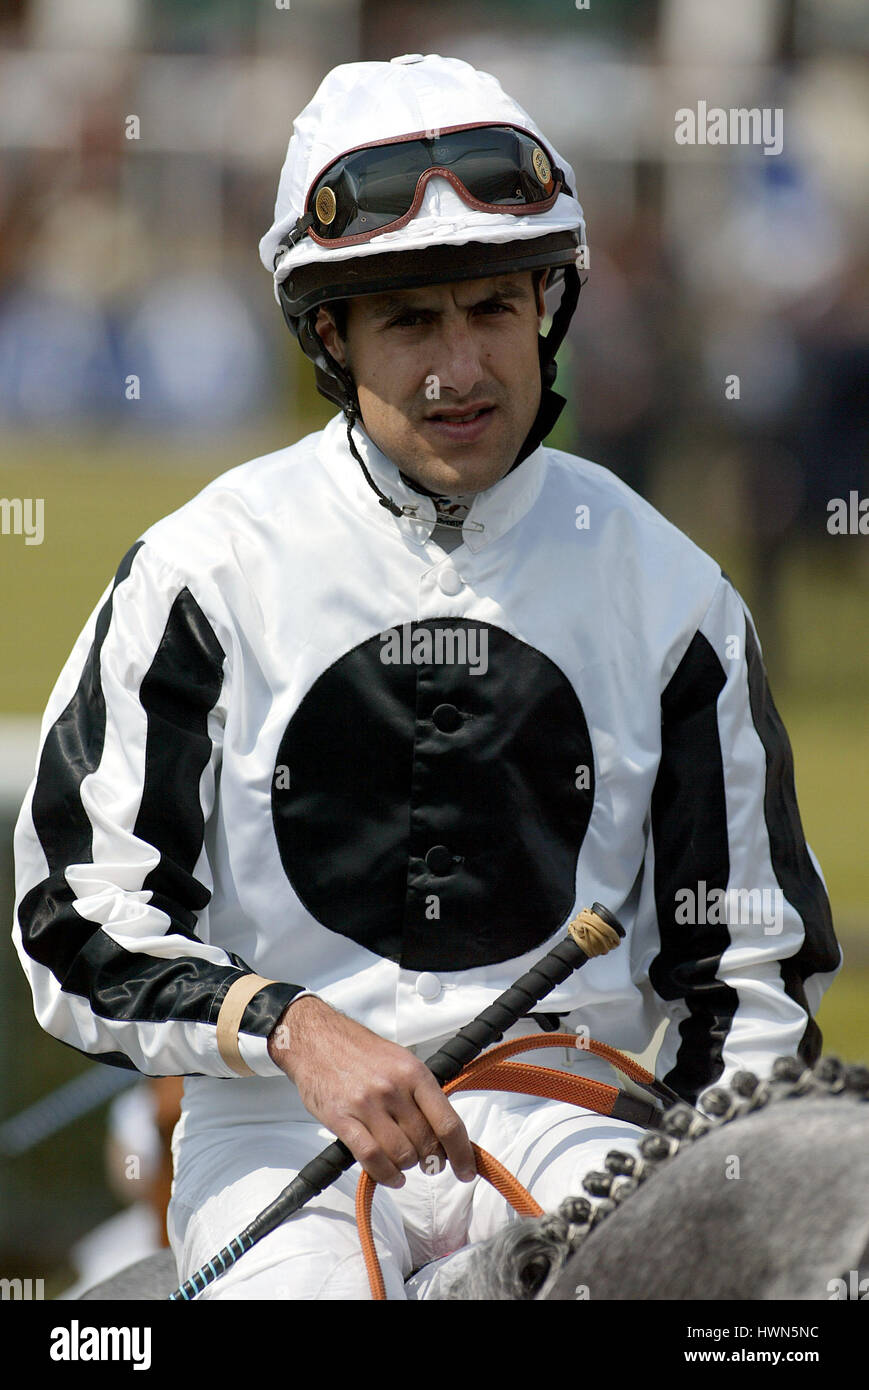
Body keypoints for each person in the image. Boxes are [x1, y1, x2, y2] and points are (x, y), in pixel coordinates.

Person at [12, 54, 841, 1300]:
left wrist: (702, 1184)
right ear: (331, 337)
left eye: (493, 309)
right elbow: (74, 914)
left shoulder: (672, 596)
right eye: (411, 320)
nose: (462, 366)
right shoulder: (202, 574)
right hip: (279, 1126)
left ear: (545, 311)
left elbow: (749, 972)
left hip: (572, 1112)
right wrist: (290, 1026)